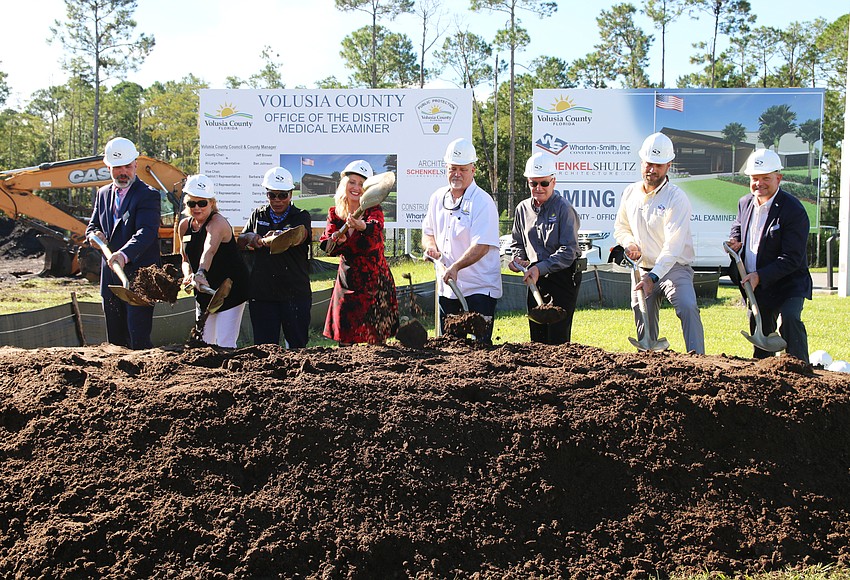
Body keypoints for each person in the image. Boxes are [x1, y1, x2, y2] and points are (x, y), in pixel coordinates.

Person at [614, 132, 705, 354]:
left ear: (668, 166)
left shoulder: (676, 198)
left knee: (687, 305)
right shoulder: (630, 193)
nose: (652, 169)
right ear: (641, 161)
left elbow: (673, 247)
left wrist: (653, 277)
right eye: (648, 163)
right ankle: (647, 359)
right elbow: (621, 227)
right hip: (642, 266)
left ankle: (699, 360)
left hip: (674, 268)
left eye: (658, 165)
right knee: (640, 308)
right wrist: (630, 243)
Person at [727, 149, 812, 361]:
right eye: (755, 178)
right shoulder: (745, 202)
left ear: (778, 178)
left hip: (788, 282)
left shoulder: (793, 210)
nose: (759, 183)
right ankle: (764, 377)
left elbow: (792, 257)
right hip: (759, 286)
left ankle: (800, 369)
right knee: (761, 329)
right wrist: (735, 240)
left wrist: (760, 276)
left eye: (766, 178)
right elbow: (738, 225)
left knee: (791, 319)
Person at [422, 137, 502, 345]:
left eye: (463, 169)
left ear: (473, 170)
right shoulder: (437, 198)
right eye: (453, 168)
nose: (457, 174)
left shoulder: (482, 202)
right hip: (448, 289)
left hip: (479, 289)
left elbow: (482, 246)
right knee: (448, 348)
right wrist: (431, 247)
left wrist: (456, 267)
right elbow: (428, 232)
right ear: (446, 168)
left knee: (479, 350)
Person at [85, 137, 160, 349]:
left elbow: (147, 232)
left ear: (136, 164)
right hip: (110, 281)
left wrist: (123, 254)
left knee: (138, 341)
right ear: (108, 166)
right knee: (115, 344)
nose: (123, 172)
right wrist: (94, 237)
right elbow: (91, 228)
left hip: (138, 280)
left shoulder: (148, 195)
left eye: (127, 166)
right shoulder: (102, 194)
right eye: (117, 167)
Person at [319, 160, 399, 345]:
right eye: (352, 182)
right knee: (346, 341)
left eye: (361, 184)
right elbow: (327, 243)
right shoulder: (335, 213)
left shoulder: (374, 210)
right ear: (344, 184)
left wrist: (361, 226)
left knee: (377, 343)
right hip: (348, 282)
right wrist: (337, 240)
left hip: (376, 283)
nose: (356, 187)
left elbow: (376, 227)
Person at [509, 152, 582, 344]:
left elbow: (569, 250)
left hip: (563, 277)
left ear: (553, 182)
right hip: (535, 278)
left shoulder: (564, 209)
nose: (538, 188)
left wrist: (538, 268)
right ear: (528, 183)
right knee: (538, 335)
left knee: (557, 337)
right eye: (533, 183)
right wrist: (519, 260)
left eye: (544, 183)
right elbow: (518, 243)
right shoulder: (522, 209)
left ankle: (559, 372)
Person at [238, 167, 312, 348]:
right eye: (272, 195)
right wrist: (250, 238)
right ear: (267, 194)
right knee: (264, 349)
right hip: (262, 294)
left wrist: (275, 237)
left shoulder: (301, 217)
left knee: (297, 347)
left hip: (295, 293)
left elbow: (299, 236)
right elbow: (241, 240)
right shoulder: (258, 215)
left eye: (282, 195)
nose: (277, 200)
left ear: (291, 194)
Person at [178, 174, 250, 348]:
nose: (197, 208)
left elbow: (208, 250)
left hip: (229, 289)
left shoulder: (218, 222)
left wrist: (201, 272)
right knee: (203, 343)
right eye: (192, 203)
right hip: (204, 291)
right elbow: (185, 258)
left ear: (212, 203)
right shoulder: (184, 226)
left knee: (225, 342)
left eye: (202, 203)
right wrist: (189, 275)